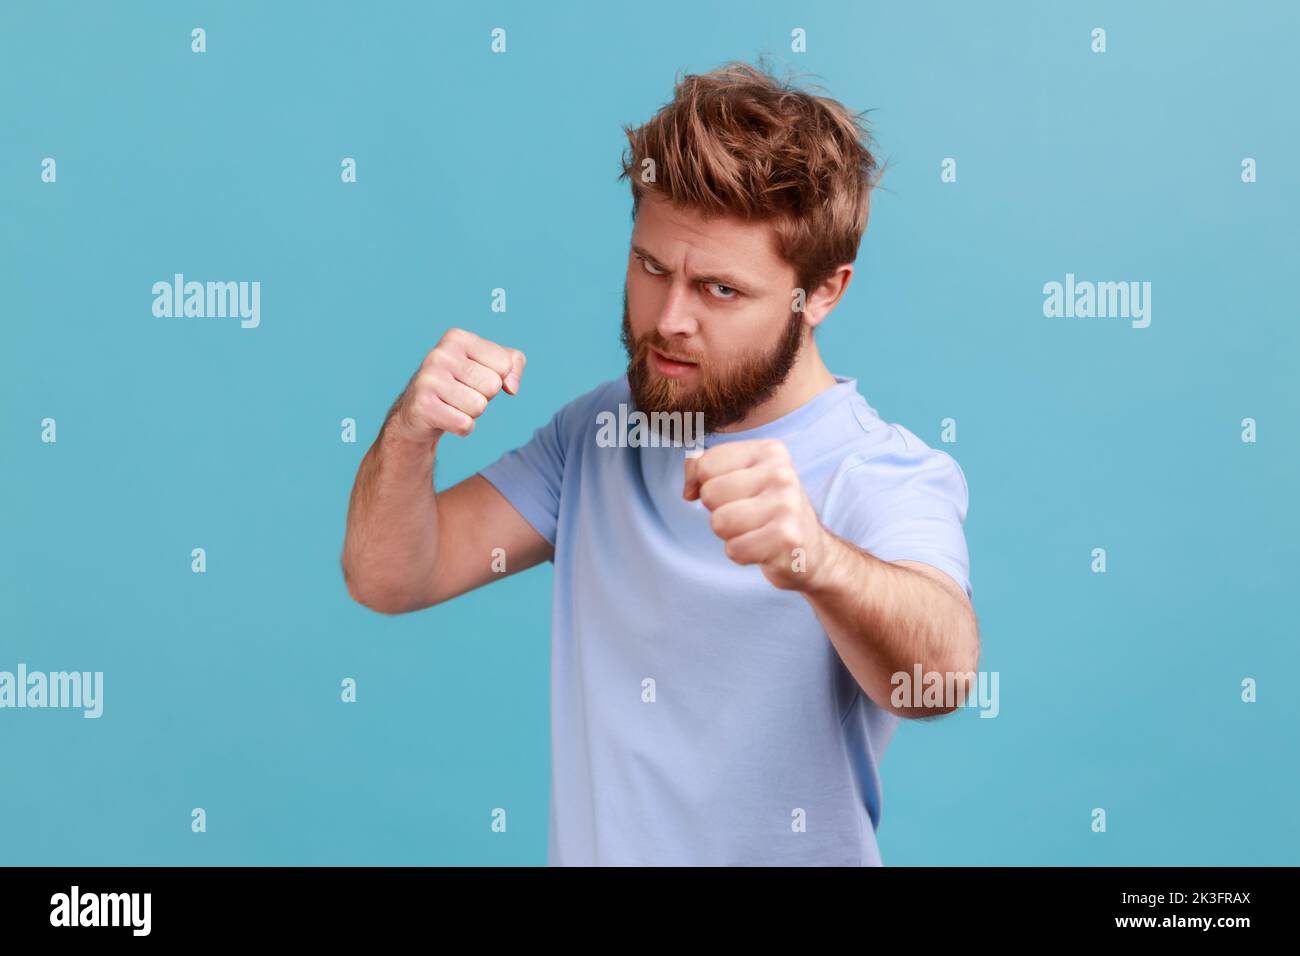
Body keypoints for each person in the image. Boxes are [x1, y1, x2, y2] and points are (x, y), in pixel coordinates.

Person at [341, 61, 979, 866]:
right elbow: (388, 577)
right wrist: (411, 432)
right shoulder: (599, 432)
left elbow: (942, 677)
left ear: (822, 293)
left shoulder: (883, 473)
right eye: (651, 268)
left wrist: (819, 560)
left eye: (719, 290)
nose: (669, 320)